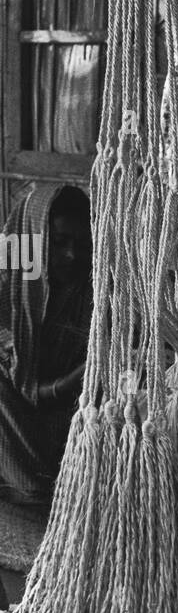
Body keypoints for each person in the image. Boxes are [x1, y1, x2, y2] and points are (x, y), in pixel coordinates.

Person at [0, 184, 92, 506]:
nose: (72, 255)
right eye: (60, 242)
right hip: (13, 421)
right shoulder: (8, 284)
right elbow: (18, 383)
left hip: (64, 425)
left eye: (82, 245)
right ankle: (28, 486)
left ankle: (45, 485)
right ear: (34, 239)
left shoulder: (92, 288)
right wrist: (73, 378)